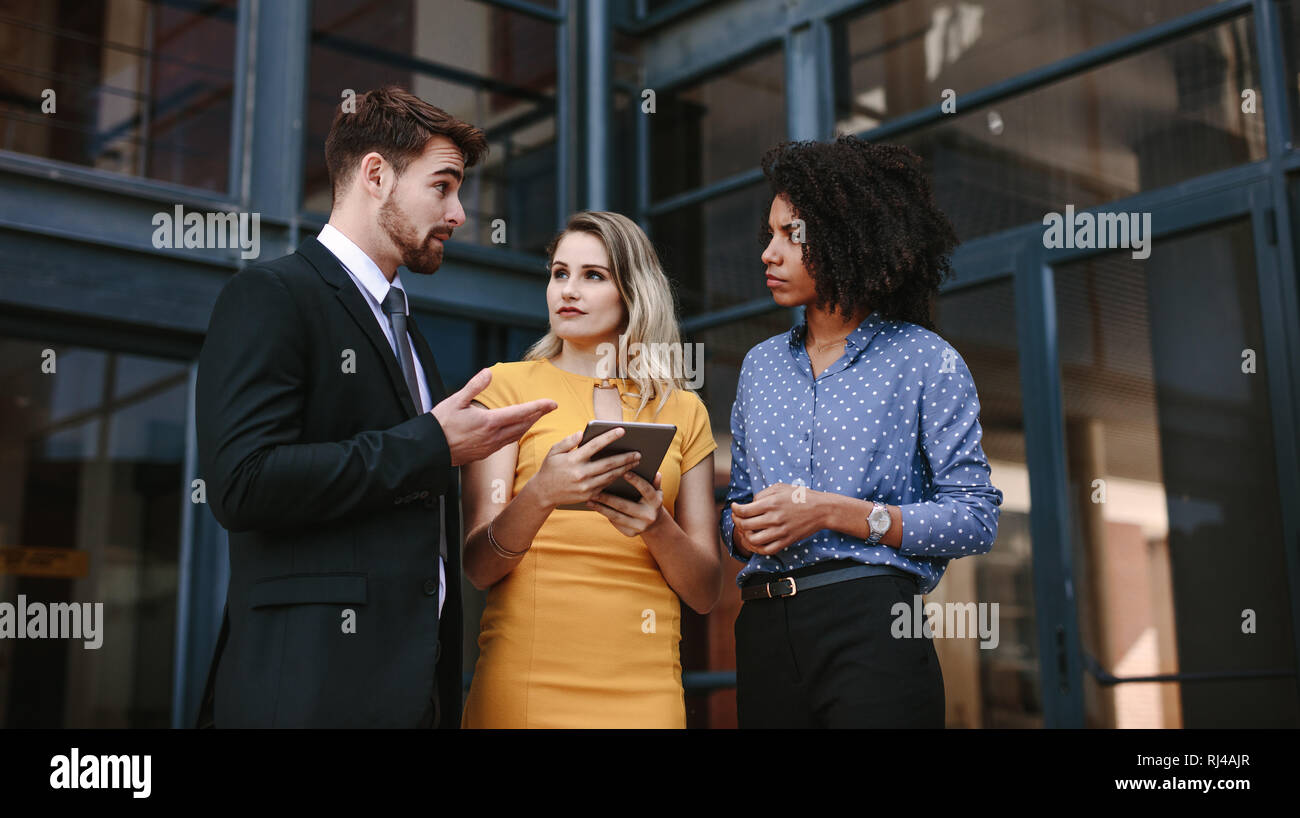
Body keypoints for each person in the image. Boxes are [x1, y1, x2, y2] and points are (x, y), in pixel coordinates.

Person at [194, 86, 555, 728]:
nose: (460, 213)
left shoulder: (407, 331)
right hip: (308, 694)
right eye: (443, 186)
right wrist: (432, 445)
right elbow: (241, 484)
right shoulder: (270, 295)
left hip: (413, 695)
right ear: (376, 175)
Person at [721, 136, 1003, 728]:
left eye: (790, 235)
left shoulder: (926, 360)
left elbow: (976, 518)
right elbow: (736, 512)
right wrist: (744, 529)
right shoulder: (760, 366)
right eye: (768, 234)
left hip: (872, 623)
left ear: (850, 238)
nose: (769, 253)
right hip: (765, 627)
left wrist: (832, 512)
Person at [460, 211, 721, 728]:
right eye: (559, 273)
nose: (568, 290)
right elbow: (478, 566)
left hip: (644, 689)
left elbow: (706, 592)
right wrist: (541, 494)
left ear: (633, 292)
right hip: (526, 682)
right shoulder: (504, 390)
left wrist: (657, 526)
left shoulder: (683, 409)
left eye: (592, 275)